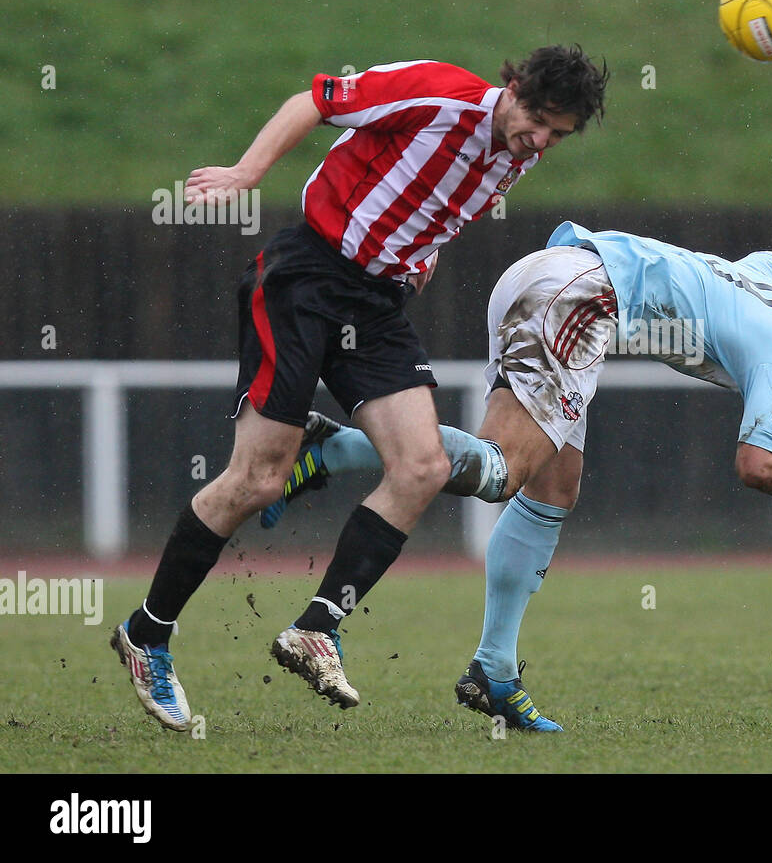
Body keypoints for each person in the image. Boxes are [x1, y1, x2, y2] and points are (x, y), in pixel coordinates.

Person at [111, 47, 609, 731]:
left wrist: (421, 254)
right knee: (257, 479)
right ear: (512, 86)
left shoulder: (520, 152)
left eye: (559, 134)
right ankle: (148, 632)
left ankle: (318, 626)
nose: (542, 140)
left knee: (425, 465)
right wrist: (246, 172)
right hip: (304, 279)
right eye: (538, 121)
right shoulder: (436, 93)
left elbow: (441, 198)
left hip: (374, 306)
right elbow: (314, 101)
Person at [264, 222, 772, 730]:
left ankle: (493, 671)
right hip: (581, 299)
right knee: (501, 471)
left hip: (553, 278)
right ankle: (335, 449)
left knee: (552, 488)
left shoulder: (769, 288)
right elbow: (756, 466)